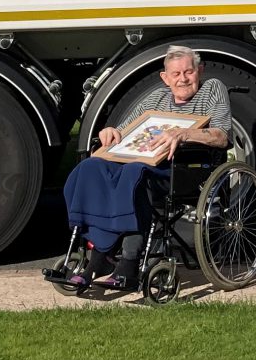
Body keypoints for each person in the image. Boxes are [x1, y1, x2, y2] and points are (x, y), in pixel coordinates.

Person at [62, 46, 232, 292]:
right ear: (165, 78)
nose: (183, 79)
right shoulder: (157, 97)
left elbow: (221, 136)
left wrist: (185, 133)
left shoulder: (212, 88)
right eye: (176, 74)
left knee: (133, 174)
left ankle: (127, 261)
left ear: (200, 71)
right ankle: (98, 254)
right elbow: (126, 129)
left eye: (189, 71)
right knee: (91, 168)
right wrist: (113, 132)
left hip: (186, 168)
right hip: (144, 165)